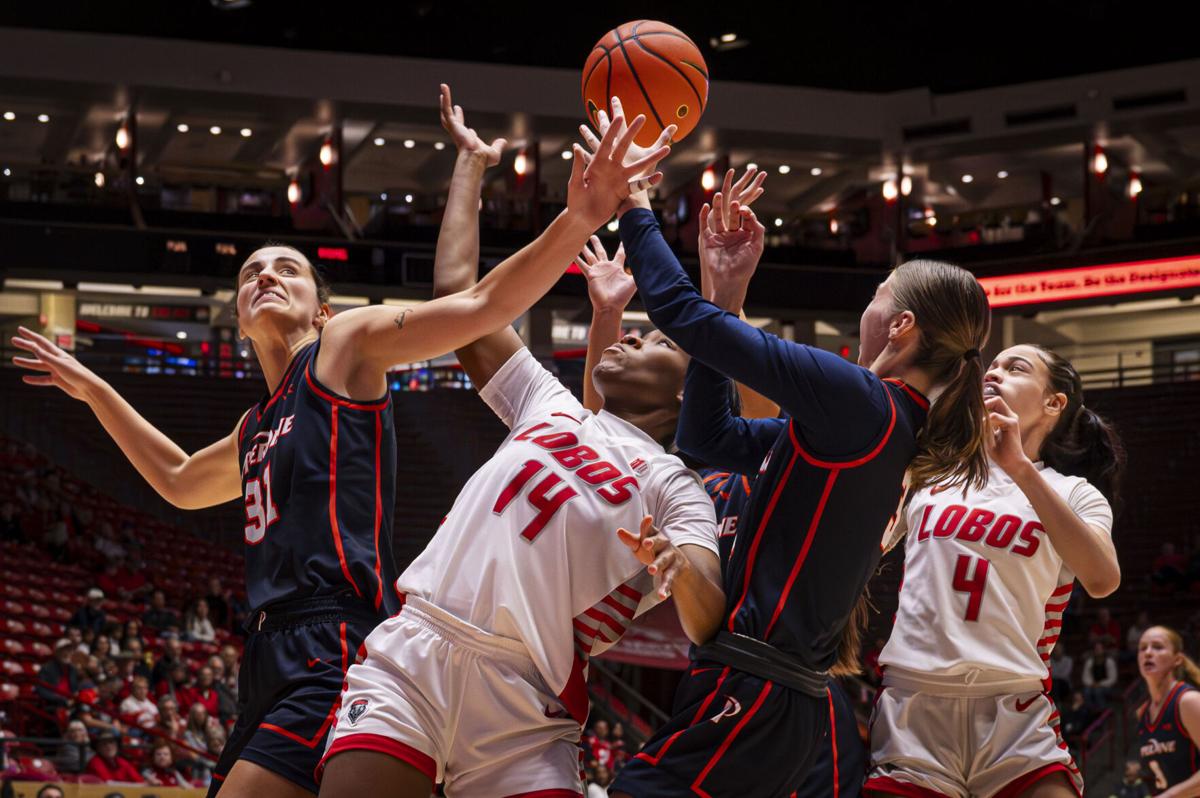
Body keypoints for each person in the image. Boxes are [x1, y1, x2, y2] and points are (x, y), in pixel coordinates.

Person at [14, 83, 665, 798]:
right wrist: (95, 391)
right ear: (236, 313)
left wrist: (579, 217)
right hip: (265, 652)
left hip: (338, 640)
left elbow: (480, 303)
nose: (264, 274)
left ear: (323, 310)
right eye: (250, 272)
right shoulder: (254, 424)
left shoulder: (344, 350)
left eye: (285, 267)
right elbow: (175, 479)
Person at [317, 87, 718, 798]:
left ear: (686, 394)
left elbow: (705, 605)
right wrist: (471, 167)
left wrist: (678, 567)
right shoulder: (550, 405)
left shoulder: (673, 484)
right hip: (420, 650)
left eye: (654, 339)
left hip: (527, 699)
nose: (631, 334)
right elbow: (458, 298)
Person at [593, 94, 992, 797]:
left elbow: (681, 320)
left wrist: (634, 202)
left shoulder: (860, 404)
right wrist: (726, 295)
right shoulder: (878, 426)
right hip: (770, 696)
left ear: (898, 329)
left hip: (755, 690)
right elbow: (709, 439)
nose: (866, 310)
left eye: (875, 296)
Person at [578, 205, 866, 798]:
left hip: (785, 690)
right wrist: (605, 313)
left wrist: (722, 293)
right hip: (726, 677)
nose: (639, 338)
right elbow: (595, 426)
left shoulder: (761, 450)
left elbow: (732, 360)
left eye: (661, 338)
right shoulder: (676, 478)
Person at [866, 344, 1124, 797]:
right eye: (991, 367)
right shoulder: (930, 475)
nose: (993, 373)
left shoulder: (1074, 492)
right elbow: (860, 548)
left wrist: (1020, 469)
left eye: (1015, 367)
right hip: (913, 706)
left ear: (1053, 403)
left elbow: (1102, 579)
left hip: (1015, 709)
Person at [1135, 626, 1200, 796]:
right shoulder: (1143, 713)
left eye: (1157, 647)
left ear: (1177, 659)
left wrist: (1169, 795)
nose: (1148, 653)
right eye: (1142, 648)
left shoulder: (1187, 701)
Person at [37, 639, 80, 709]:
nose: (67, 653)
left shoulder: (72, 669)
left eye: (69, 650)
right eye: (63, 650)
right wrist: (62, 699)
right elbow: (41, 690)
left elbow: (75, 690)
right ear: (56, 652)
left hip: (71, 706)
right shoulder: (47, 668)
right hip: (54, 706)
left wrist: (75, 696)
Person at [1082, 641, 1119, 710]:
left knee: (1098, 691)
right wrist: (1092, 684)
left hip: (1107, 686)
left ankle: (1102, 710)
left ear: (1103, 650)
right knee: (1086, 691)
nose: (1097, 651)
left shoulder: (1109, 661)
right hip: (1092, 685)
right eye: (1096, 649)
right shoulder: (1090, 662)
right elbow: (1085, 677)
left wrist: (1100, 684)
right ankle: (1090, 710)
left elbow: (1113, 679)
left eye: (1099, 649)